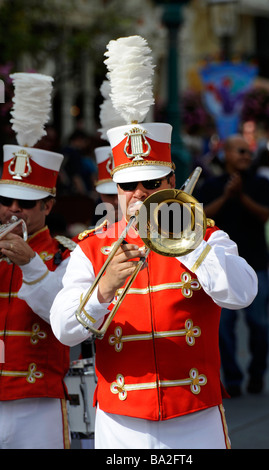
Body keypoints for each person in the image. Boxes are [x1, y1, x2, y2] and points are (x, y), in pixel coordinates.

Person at [50, 118, 258, 449]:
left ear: (172, 180)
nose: (139, 194)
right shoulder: (91, 247)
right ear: (116, 190)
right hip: (121, 423)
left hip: (195, 415)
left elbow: (244, 293)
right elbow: (63, 330)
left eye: (151, 182)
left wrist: (188, 242)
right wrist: (102, 290)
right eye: (127, 185)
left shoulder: (205, 236)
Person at [0, 73, 76, 449]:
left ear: (47, 206)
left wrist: (32, 264)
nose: (14, 211)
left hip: (38, 399)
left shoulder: (66, 253)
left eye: (26, 204)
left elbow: (63, 320)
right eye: (6, 202)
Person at [196, 134, 269, 397]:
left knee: (259, 325)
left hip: (257, 265)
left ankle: (257, 375)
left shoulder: (261, 183)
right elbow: (200, 218)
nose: (246, 156)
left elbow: (266, 215)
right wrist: (226, 196)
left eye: (248, 152)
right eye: (240, 151)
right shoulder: (211, 186)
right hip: (220, 269)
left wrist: (240, 196)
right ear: (226, 154)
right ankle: (232, 378)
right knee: (223, 328)